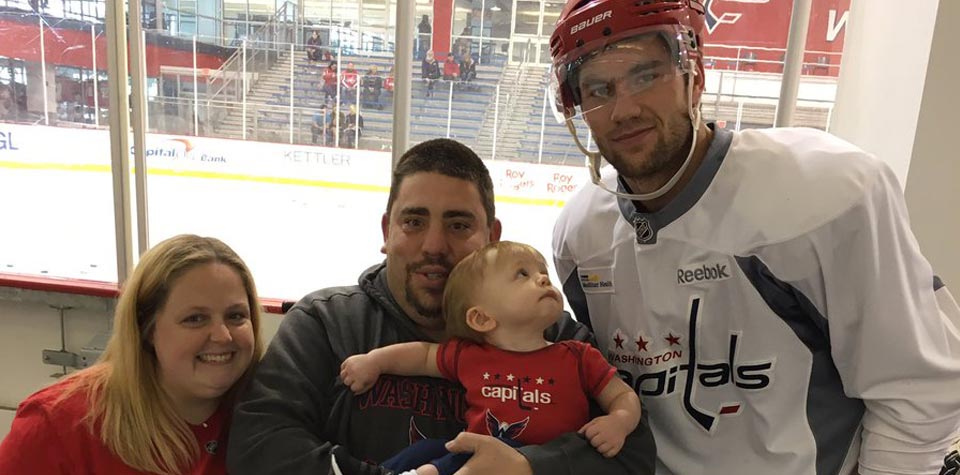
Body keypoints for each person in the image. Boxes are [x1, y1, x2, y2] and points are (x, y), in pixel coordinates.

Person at [547, 1, 960, 474]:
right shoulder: (579, 236)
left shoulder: (824, 193)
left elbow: (915, 391)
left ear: (695, 75)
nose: (625, 109)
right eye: (600, 89)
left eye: (646, 75)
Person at [227, 138, 656, 475]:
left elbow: (633, 456)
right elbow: (260, 447)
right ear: (387, 229)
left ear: (492, 236)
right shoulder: (326, 324)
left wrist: (528, 467)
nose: (433, 246)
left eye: (458, 224)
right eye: (414, 222)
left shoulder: (559, 339)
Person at [340, 241, 643, 475]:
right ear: (482, 319)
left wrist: (619, 421)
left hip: (540, 463)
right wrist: (374, 362)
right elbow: (422, 355)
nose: (541, 279)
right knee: (432, 447)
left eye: (543, 273)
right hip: (475, 458)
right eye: (522, 274)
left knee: (479, 450)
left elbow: (622, 396)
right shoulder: (471, 356)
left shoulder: (578, 356)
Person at [0, 234, 264, 474]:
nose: (222, 335)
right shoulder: (56, 426)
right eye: (195, 319)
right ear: (146, 328)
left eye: (236, 316)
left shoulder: (268, 416)